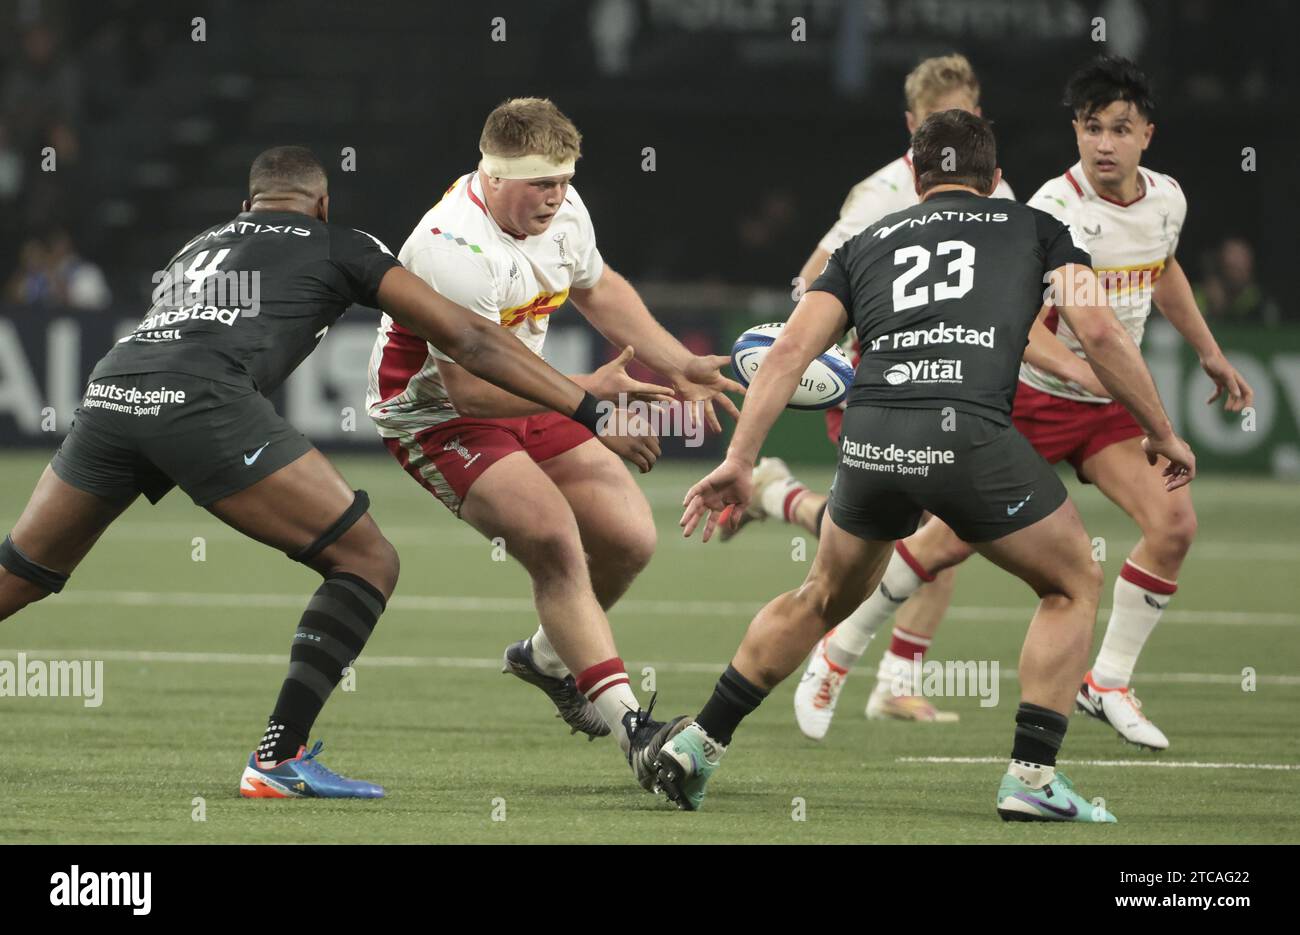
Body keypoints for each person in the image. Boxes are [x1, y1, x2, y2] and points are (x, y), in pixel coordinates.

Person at [0, 145, 657, 799]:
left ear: (245, 206)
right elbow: (471, 340)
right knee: (366, 561)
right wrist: (591, 409)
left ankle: (276, 759)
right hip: (201, 398)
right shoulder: (338, 242)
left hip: (114, 389)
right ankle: (275, 759)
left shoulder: (200, 244)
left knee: (21, 575)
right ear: (321, 204)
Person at [656, 109, 1195, 820]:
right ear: (997, 180)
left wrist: (739, 457)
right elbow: (1096, 327)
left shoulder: (864, 242)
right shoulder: (1035, 227)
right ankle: (1031, 777)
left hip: (872, 440)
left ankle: (699, 741)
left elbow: (787, 353)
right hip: (968, 436)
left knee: (820, 593)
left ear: (914, 176)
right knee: (1073, 579)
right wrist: (1161, 428)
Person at [798, 56, 1253, 751]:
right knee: (942, 544)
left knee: (1174, 523)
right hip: (1033, 403)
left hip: (1103, 410)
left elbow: (1163, 269)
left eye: (1120, 129)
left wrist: (1209, 351)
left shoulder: (1167, 199)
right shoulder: (1045, 210)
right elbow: (1021, 329)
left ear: (1147, 136)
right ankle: (838, 652)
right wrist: (1088, 367)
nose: (1104, 143)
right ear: (1075, 130)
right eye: (1092, 128)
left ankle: (1108, 681)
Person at [366, 98, 743, 790]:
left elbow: (599, 288)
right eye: (543, 183)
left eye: (566, 180)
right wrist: (593, 405)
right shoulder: (452, 246)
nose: (558, 196)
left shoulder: (563, 211)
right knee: (554, 539)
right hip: (438, 414)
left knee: (630, 539)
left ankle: (546, 657)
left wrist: (676, 361)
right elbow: (471, 392)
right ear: (496, 175)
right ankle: (636, 731)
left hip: (536, 388)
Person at [717, 53, 1104, 726]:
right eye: (935, 124)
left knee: (919, 534)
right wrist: (842, 351)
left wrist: (1062, 366)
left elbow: (1003, 312)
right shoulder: (879, 197)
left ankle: (874, 664)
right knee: (924, 529)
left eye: (962, 119)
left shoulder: (1003, 206)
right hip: (882, 387)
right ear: (912, 131)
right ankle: (848, 653)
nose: (949, 138)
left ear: (980, 121)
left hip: (958, 393)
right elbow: (812, 285)